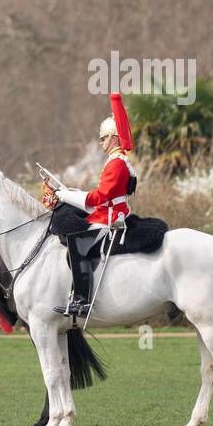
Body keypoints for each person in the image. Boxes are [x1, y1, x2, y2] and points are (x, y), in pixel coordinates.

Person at [49, 93, 137, 319]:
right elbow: (102, 197)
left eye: (103, 138)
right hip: (107, 213)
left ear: (114, 138)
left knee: (77, 245)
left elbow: (99, 198)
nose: (100, 143)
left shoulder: (117, 163)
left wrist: (65, 196)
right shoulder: (117, 161)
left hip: (110, 219)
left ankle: (83, 301)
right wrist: (71, 193)